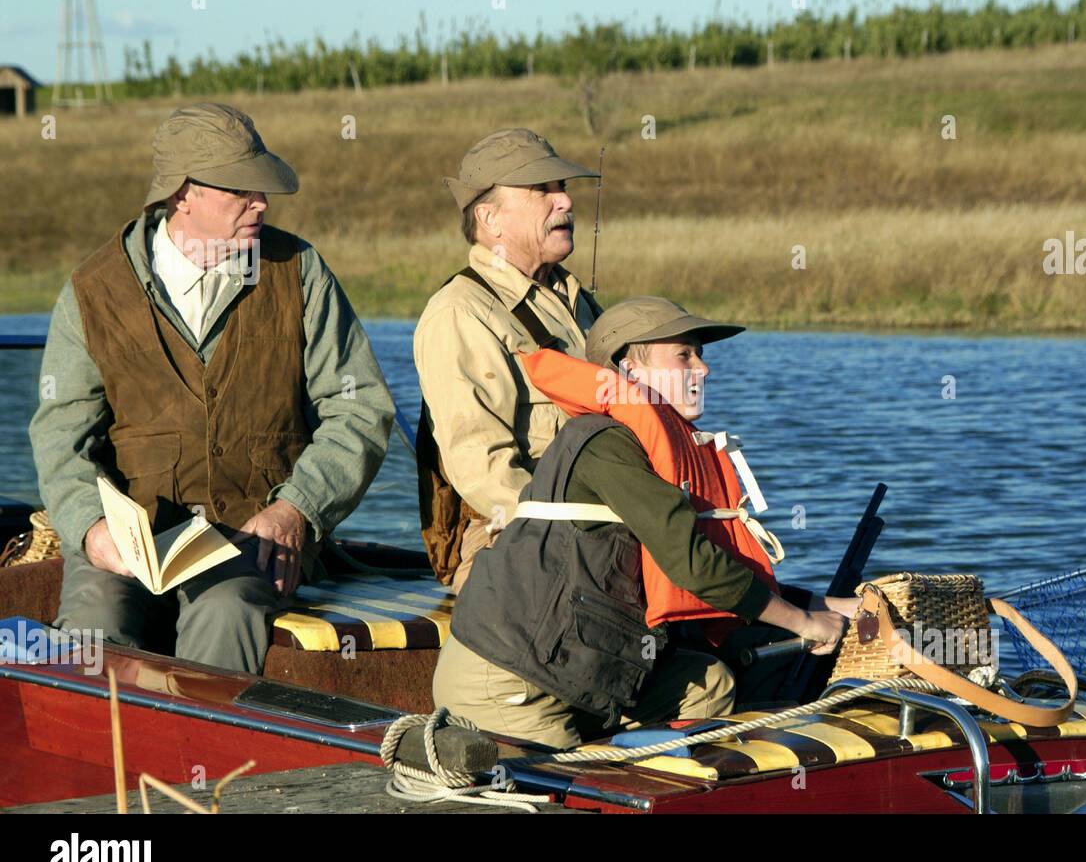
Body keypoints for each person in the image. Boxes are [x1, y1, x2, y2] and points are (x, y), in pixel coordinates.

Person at [29, 103, 395, 674]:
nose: (262, 203)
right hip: (128, 543)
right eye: (241, 190)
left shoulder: (300, 272)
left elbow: (359, 409)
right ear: (182, 196)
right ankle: (101, 761)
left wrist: (297, 509)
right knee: (96, 625)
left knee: (225, 611)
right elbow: (60, 436)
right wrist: (90, 529)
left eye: (263, 189)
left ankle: (199, 764)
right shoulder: (92, 291)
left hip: (255, 542)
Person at [432, 296, 855, 748]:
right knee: (563, 791)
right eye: (684, 355)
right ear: (630, 372)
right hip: (514, 682)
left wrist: (825, 604)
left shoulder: (656, 448)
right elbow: (695, 568)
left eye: (701, 354)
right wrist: (805, 624)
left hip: (577, 665)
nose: (704, 369)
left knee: (710, 684)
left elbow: (722, 569)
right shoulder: (606, 443)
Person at [414, 128, 602, 593]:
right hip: (506, 539)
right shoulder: (460, 312)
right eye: (543, 190)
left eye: (563, 188)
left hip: (598, 522)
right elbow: (484, 469)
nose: (564, 202)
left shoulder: (576, 301)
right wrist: (590, 530)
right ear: (489, 219)